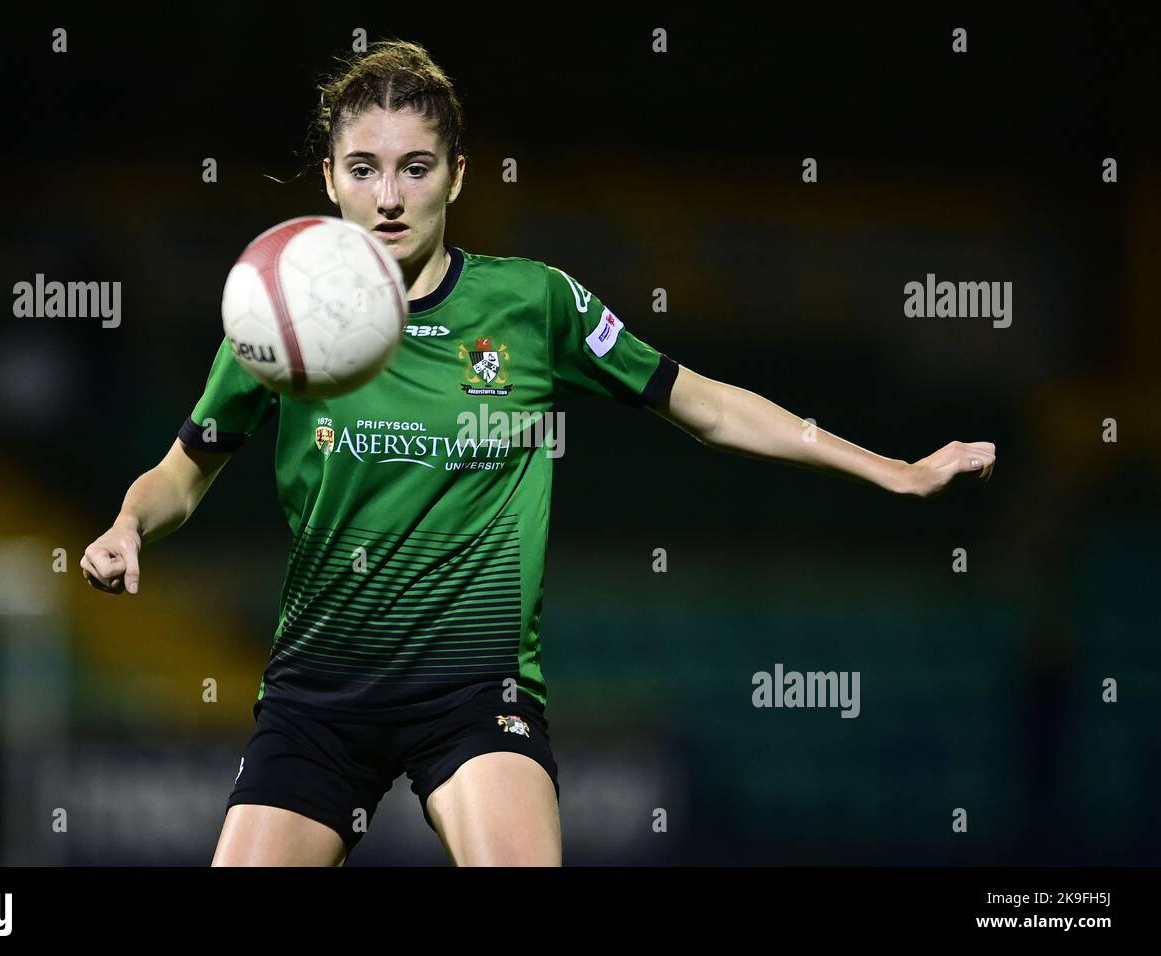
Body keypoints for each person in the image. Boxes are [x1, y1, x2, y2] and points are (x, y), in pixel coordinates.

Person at [81, 40, 996, 867]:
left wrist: (891, 467)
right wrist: (128, 524)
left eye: (415, 167)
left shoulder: (533, 305)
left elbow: (704, 404)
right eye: (364, 168)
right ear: (329, 177)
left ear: (458, 175)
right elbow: (182, 471)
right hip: (320, 690)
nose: (389, 196)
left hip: (474, 691)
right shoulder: (276, 310)